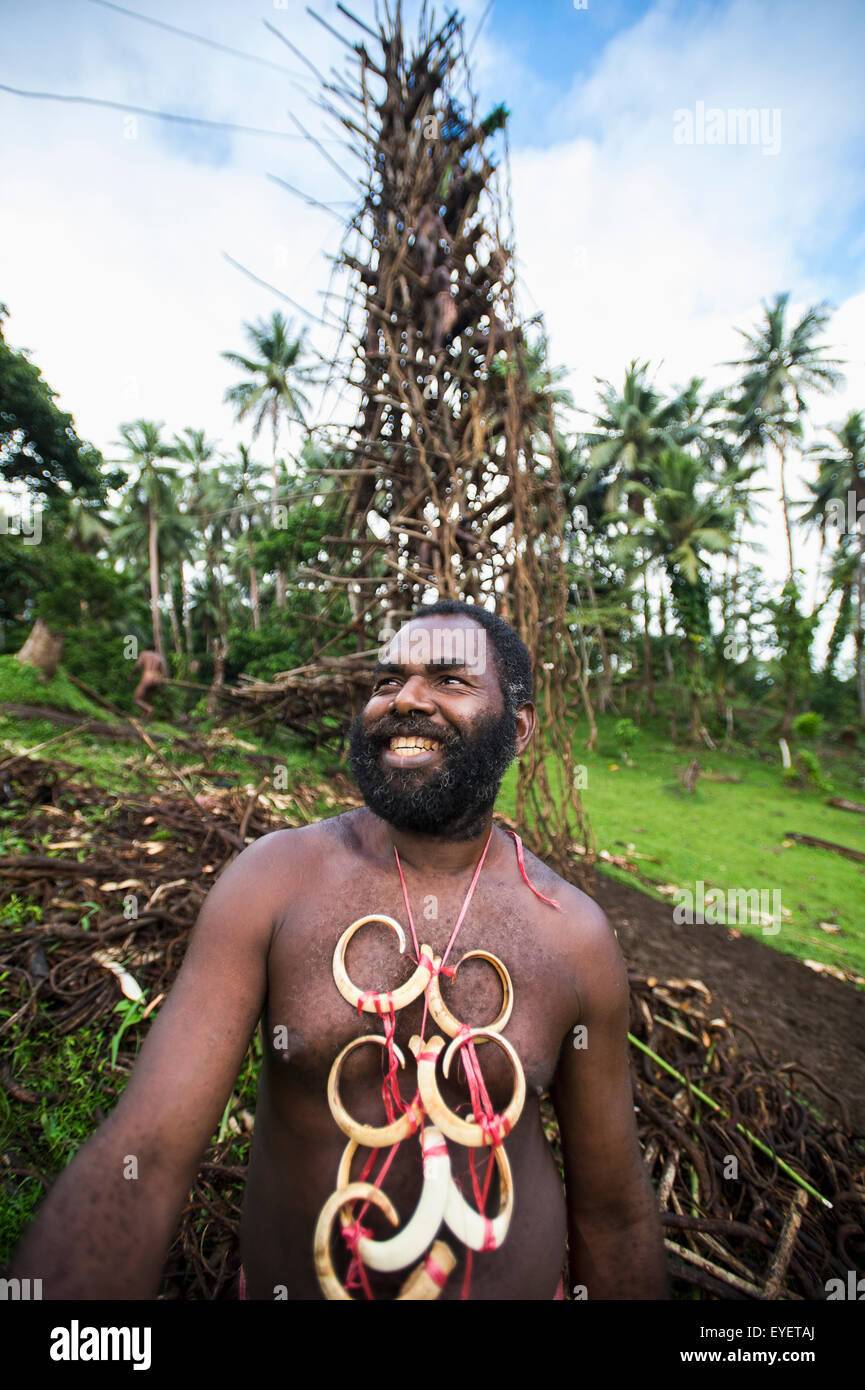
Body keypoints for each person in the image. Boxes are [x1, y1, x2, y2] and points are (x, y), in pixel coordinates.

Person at [12, 601, 666, 1300]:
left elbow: (612, 1212)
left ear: (519, 728)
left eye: (448, 680)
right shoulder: (273, 882)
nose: (407, 698)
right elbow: (144, 1151)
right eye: (387, 680)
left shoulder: (572, 934)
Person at [132, 648, 167, 716]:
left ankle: (150, 709)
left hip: (148, 677)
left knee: (136, 699)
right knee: (146, 701)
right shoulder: (159, 657)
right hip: (156, 680)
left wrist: (132, 675)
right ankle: (144, 721)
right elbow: (164, 674)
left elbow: (137, 665)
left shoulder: (144, 653)